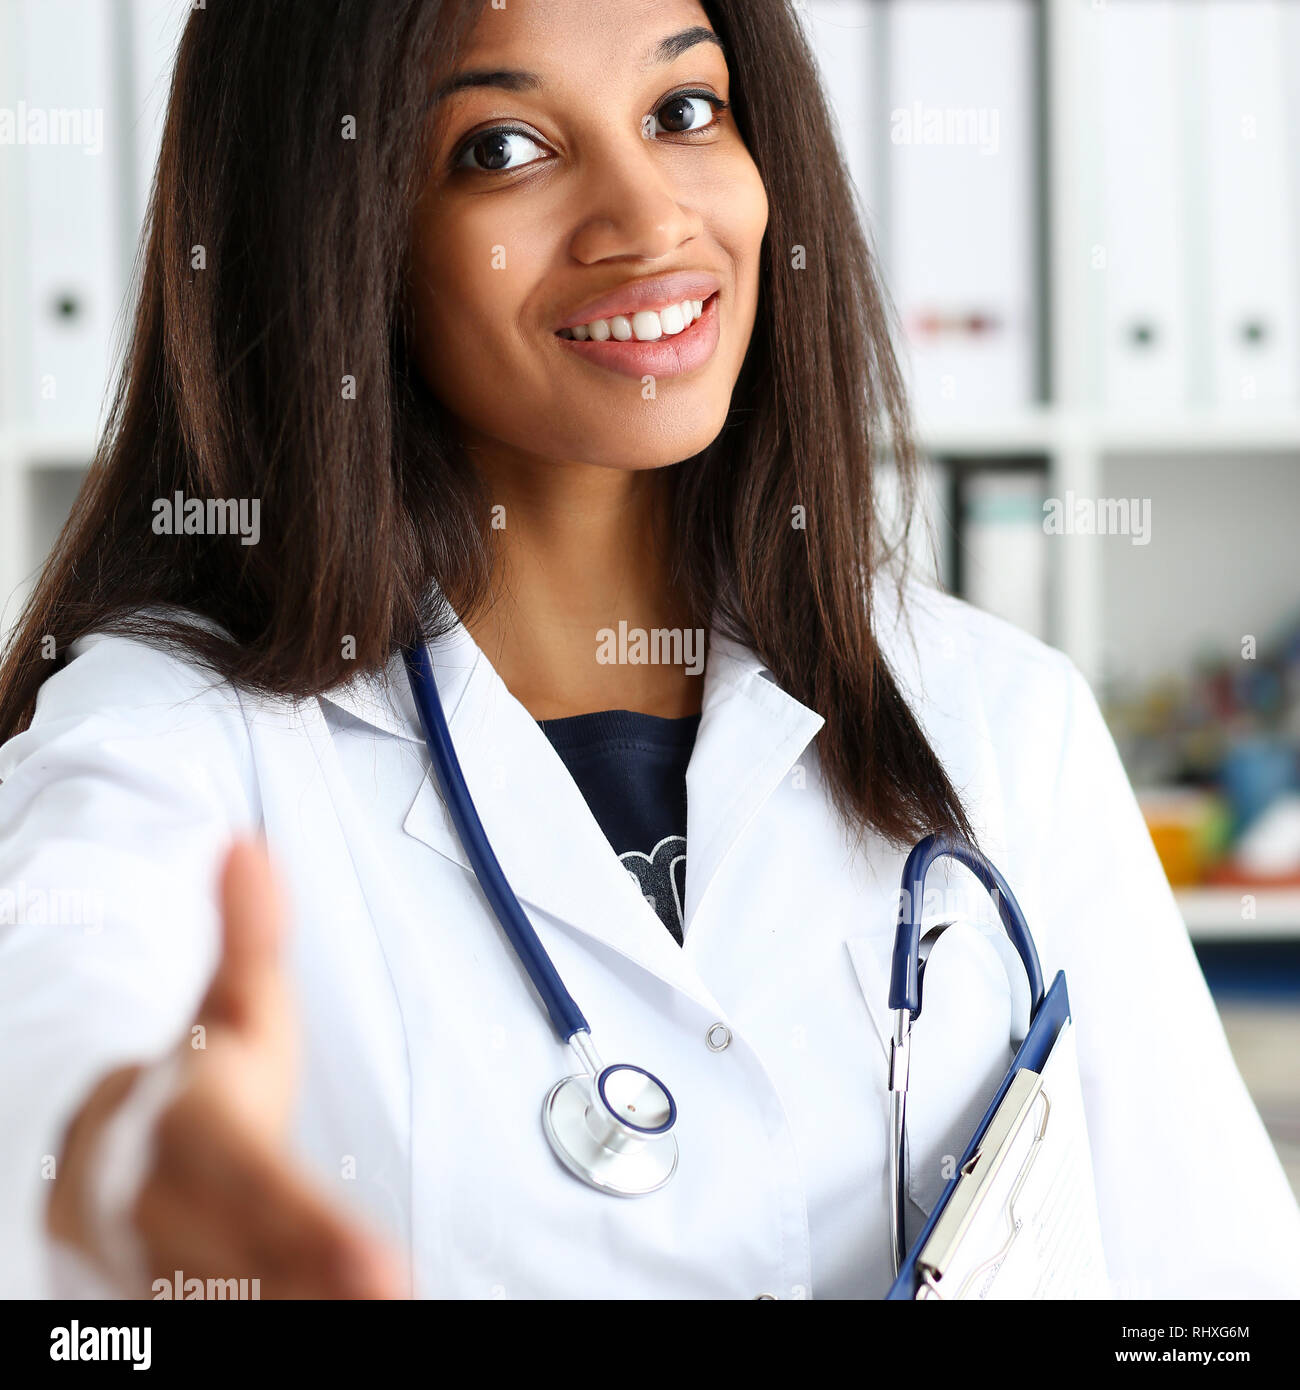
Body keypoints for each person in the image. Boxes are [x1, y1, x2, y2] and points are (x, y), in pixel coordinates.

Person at [0, 0, 1295, 1301]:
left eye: (683, 112)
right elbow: (58, 1037)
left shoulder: (1000, 717)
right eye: (502, 148)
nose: (651, 220)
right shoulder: (173, 728)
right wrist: (126, 1171)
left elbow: (1212, 1293)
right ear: (334, 230)